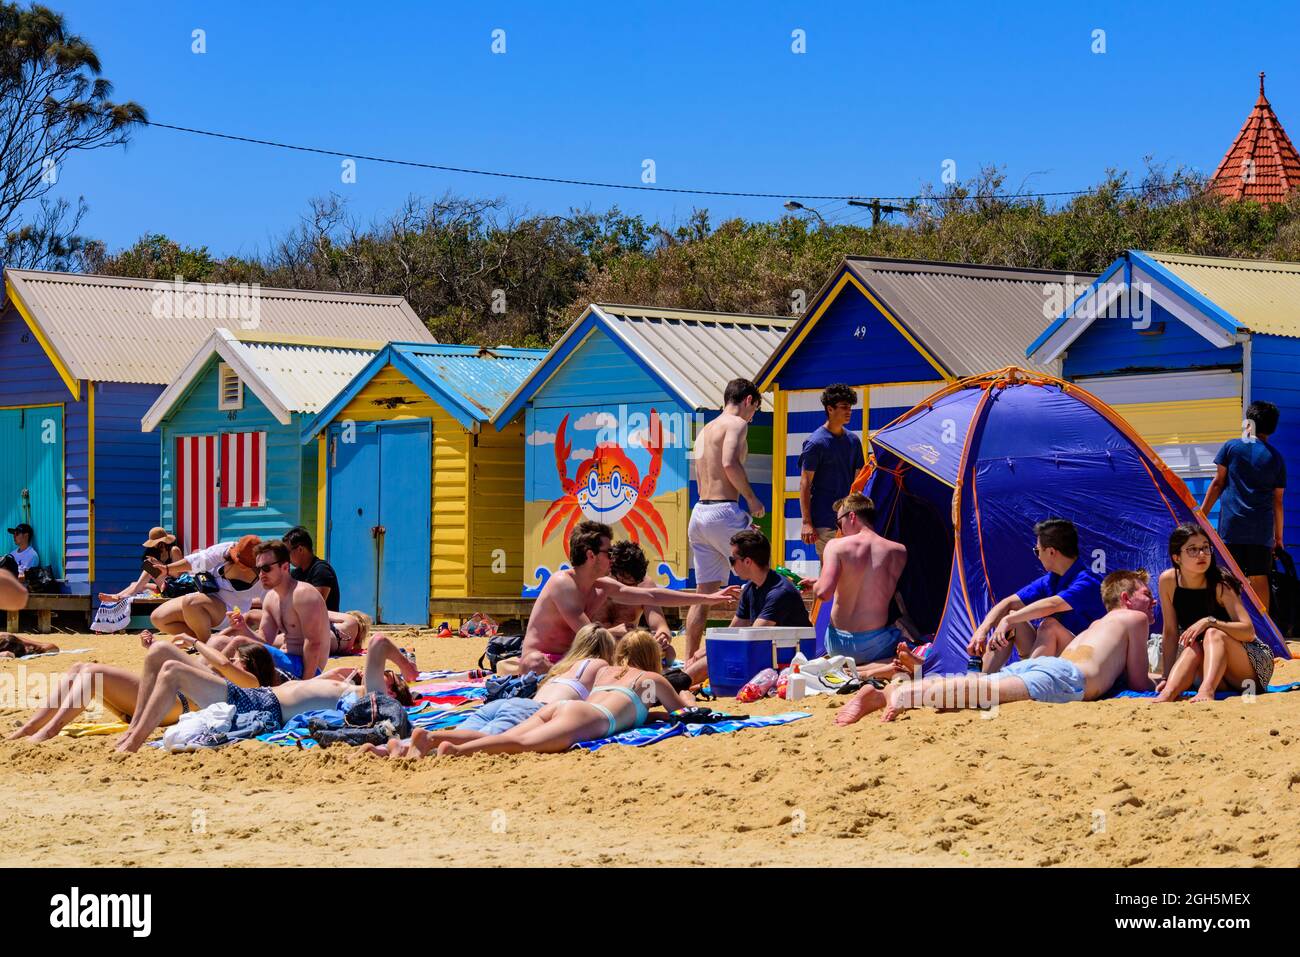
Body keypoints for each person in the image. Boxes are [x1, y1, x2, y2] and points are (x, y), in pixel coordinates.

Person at [836, 570, 1157, 724]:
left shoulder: (1097, 626)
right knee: (984, 693)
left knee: (980, 685)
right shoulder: (1134, 619)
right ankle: (902, 695)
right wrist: (1162, 681)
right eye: (1147, 595)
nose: (1152, 601)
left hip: (1045, 666)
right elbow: (1140, 682)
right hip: (1066, 677)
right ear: (1127, 599)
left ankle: (892, 691)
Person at [114, 632, 419, 752]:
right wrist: (328, 677)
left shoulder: (375, 698)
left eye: (386, 676)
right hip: (263, 698)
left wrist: (406, 668)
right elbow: (302, 691)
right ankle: (132, 735)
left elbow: (378, 642)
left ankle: (132, 742)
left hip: (262, 705)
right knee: (163, 658)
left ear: (391, 691)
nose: (376, 673)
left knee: (172, 670)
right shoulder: (348, 690)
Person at [516, 521, 739, 674]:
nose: (612, 558)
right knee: (534, 663)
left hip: (576, 660)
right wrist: (623, 635)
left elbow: (652, 595)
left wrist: (709, 597)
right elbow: (590, 635)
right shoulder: (562, 583)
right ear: (591, 555)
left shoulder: (600, 585)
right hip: (550, 659)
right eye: (608, 552)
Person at [372, 624, 618, 759]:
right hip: (533, 711)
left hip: (507, 704)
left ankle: (389, 748)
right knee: (487, 741)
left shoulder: (563, 668)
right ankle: (412, 746)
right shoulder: (600, 666)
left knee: (462, 732)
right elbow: (605, 702)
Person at [436, 630, 693, 756]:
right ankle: (456, 752)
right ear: (651, 657)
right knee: (524, 745)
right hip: (587, 717)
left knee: (509, 736)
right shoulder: (653, 679)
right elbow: (682, 713)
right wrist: (688, 699)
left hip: (563, 709)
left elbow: (630, 707)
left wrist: (653, 715)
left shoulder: (608, 672)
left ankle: (432, 738)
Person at [8, 641, 278, 743]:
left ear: (251, 663)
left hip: (175, 706)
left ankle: (50, 730)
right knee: (80, 667)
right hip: (166, 702)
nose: (231, 660)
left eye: (237, 658)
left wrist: (195, 642)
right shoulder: (224, 675)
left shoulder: (250, 682)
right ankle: (32, 726)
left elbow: (220, 661)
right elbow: (221, 652)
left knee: (93, 674)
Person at [684, 378, 766, 661]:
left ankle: (690, 659)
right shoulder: (737, 424)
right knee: (761, 575)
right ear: (747, 401)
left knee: (703, 595)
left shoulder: (705, 430)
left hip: (700, 512)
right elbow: (730, 463)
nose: (753, 417)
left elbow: (699, 476)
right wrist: (752, 499)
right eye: (755, 409)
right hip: (723, 510)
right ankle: (736, 653)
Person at [1154, 523, 1275, 703]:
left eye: (1205, 548)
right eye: (1192, 550)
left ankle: (1206, 691)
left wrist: (1210, 621)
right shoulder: (1168, 581)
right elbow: (1170, 631)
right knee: (1193, 644)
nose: (1202, 554)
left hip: (1250, 668)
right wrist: (1165, 676)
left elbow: (1249, 632)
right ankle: (1169, 692)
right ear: (1177, 557)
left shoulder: (1220, 584)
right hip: (1215, 667)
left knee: (1212, 633)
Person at [966, 518, 1105, 673]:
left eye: (1037, 550)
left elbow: (1053, 605)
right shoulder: (1051, 579)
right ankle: (980, 678)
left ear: (1051, 551)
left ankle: (1023, 678)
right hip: (1054, 653)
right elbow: (1008, 603)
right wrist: (982, 631)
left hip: (1084, 660)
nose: (1037, 556)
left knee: (1048, 625)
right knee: (1012, 614)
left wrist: (1008, 620)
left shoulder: (1088, 581)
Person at [683, 529, 811, 682]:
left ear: (748, 561)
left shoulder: (779, 592)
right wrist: (705, 651)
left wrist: (709, 651)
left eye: (732, 560)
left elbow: (751, 635)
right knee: (710, 655)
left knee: (716, 656)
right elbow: (734, 630)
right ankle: (677, 681)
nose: (731, 565)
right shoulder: (751, 587)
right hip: (769, 651)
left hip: (792, 659)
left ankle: (676, 684)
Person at [1201, 401, 1286, 612]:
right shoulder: (1276, 458)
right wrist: (1278, 538)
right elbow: (1278, 501)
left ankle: (1227, 621)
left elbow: (1218, 483)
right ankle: (1263, 631)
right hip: (1261, 530)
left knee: (1226, 575)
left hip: (1232, 526)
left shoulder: (1231, 447)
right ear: (1272, 428)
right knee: (1259, 576)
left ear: (1249, 423)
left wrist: (1202, 514)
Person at [803, 493, 906, 664]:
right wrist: (820, 581)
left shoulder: (836, 546)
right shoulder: (899, 551)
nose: (840, 530)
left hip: (839, 646)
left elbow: (823, 594)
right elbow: (869, 579)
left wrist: (817, 585)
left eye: (839, 523)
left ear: (851, 516)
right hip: (876, 646)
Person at [215, 540, 332, 680]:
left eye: (266, 568)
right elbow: (265, 641)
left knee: (239, 642)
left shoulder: (303, 594)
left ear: (285, 567)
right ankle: (201, 675)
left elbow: (313, 643)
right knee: (221, 641)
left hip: (306, 669)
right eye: (258, 569)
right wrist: (243, 627)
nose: (261, 575)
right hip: (285, 661)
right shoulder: (271, 598)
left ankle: (206, 677)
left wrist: (306, 684)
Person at [146, 535, 264, 642]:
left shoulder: (263, 575)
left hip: (231, 613)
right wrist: (166, 569)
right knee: (158, 618)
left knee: (192, 602)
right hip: (204, 599)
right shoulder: (226, 549)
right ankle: (207, 641)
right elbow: (196, 561)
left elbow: (273, 600)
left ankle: (207, 645)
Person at [798, 384, 866, 558]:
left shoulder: (853, 441)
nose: (849, 411)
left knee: (848, 575)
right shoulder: (815, 443)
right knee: (831, 573)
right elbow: (805, 484)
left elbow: (860, 482)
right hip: (825, 521)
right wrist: (807, 522)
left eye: (850, 407)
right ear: (830, 408)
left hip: (850, 522)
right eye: (844, 407)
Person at [590, 541, 675, 657]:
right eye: (624, 584)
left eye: (634, 585)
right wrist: (611, 632)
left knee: (669, 652)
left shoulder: (645, 584)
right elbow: (578, 636)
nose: (630, 590)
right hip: (594, 647)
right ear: (610, 571)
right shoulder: (592, 583)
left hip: (627, 650)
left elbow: (660, 625)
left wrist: (663, 635)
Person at [98, 526, 184, 604]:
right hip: (164, 586)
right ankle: (118, 595)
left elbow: (178, 575)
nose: (153, 546)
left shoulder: (174, 550)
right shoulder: (159, 554)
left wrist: (158, 564)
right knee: (134, 584)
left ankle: (124, 596)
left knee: (149, 568)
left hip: (175, 587)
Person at [284, 526, 340, 613]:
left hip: (325, 623)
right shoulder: (296, 573)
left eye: (287, 552)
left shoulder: (321, 570)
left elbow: (315, 606)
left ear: (300, 549)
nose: (286, 557)